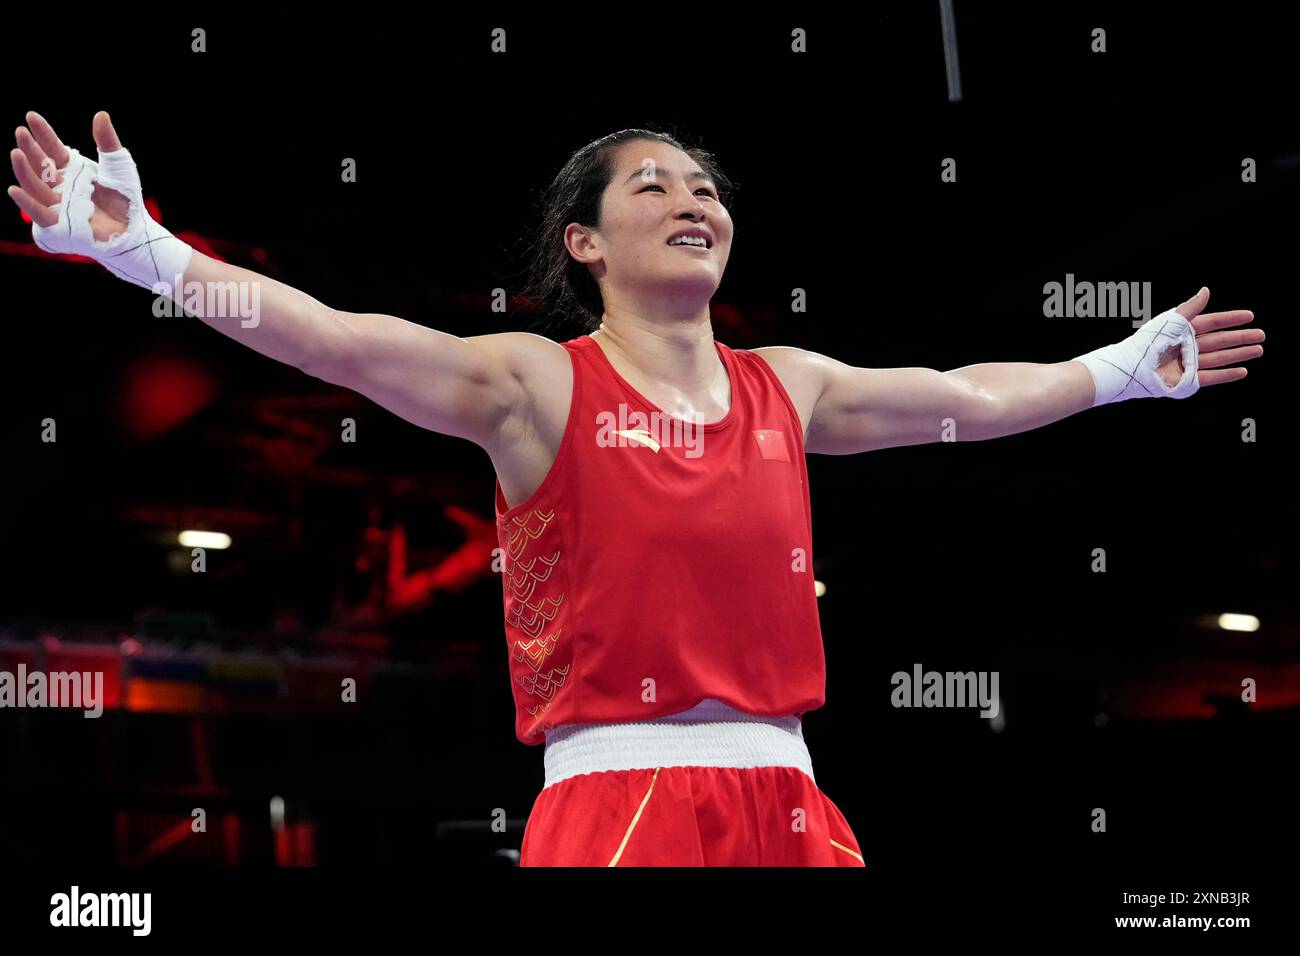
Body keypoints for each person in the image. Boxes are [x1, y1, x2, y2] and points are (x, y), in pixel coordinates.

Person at [8, 113, 1265, 867]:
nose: (691, 198)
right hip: (618, 802)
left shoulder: (791, 384)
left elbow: (966, 398)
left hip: (793, 801)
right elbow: (329, 338)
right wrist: (148, 252)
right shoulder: (535, 385)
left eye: (705, 185)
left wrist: (1118, 367)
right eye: (652, 184)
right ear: (587, 244)